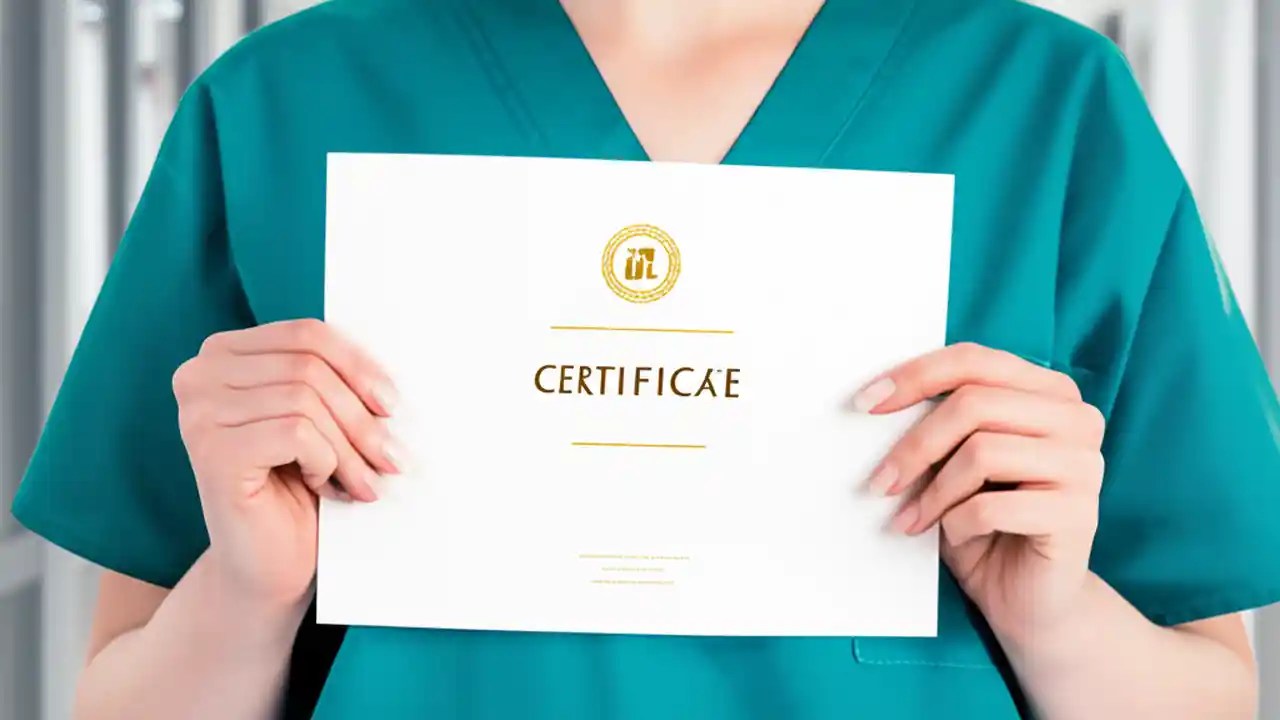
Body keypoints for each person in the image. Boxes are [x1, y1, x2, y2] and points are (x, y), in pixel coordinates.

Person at [13, 0, 1280, 717]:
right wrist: (251, 593)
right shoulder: (283, 99)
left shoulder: (1047, 99)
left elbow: (1214, 695)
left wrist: (1047, 612)